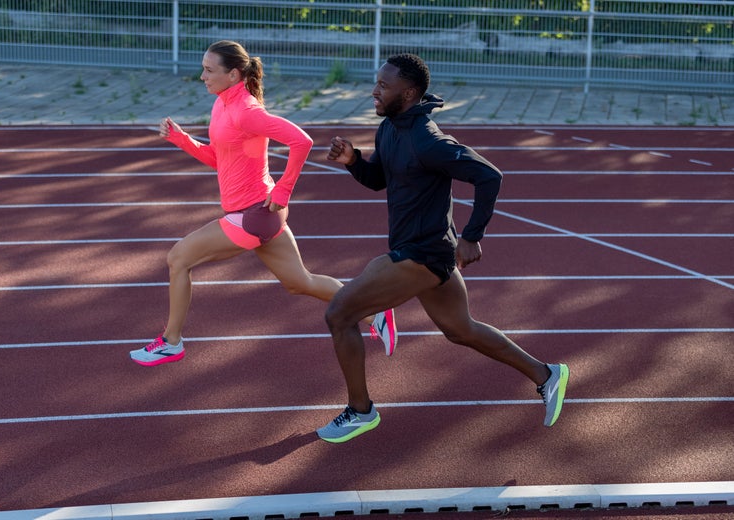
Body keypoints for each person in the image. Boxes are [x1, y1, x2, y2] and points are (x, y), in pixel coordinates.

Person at [317, 53, 568, 443]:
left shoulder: (427, 139)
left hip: (421, 255)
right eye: (377, 83)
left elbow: (489, 176)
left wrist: (473, 234)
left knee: (339, 314)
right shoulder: (389, 129)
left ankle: (361, 411)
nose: (374, 91)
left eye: (384, 86)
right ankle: (546, 374)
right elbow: (380, 180)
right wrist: (353, 161)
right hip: (427, 252)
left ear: (410, 92)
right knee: (460, 330)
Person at [129, 40, 397, 366]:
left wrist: (283, 190)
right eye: (203, 68)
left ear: (233, 74)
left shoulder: (246, 111)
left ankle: (172, 341)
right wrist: (182, 139)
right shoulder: (222, 105)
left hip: (252, 215)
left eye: (209, 70)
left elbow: (302, 141)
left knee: (178, 258)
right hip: (261, 215)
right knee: (301, 282)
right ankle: (374, 311)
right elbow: (219, 159)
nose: (202, 76)